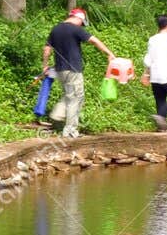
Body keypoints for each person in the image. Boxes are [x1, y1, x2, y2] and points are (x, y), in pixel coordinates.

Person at [40, 8, 117, 139]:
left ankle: (57, 115)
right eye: (82, 22)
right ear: (79, 18)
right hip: (73, 70)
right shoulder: (75, 29)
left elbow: (47, 49)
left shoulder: (55, 29)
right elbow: (94, 40)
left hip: (60, 70)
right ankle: (70, 131)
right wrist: (109, 53)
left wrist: (45, 65)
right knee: (76, 98)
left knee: (68, 95)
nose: (81, 24)